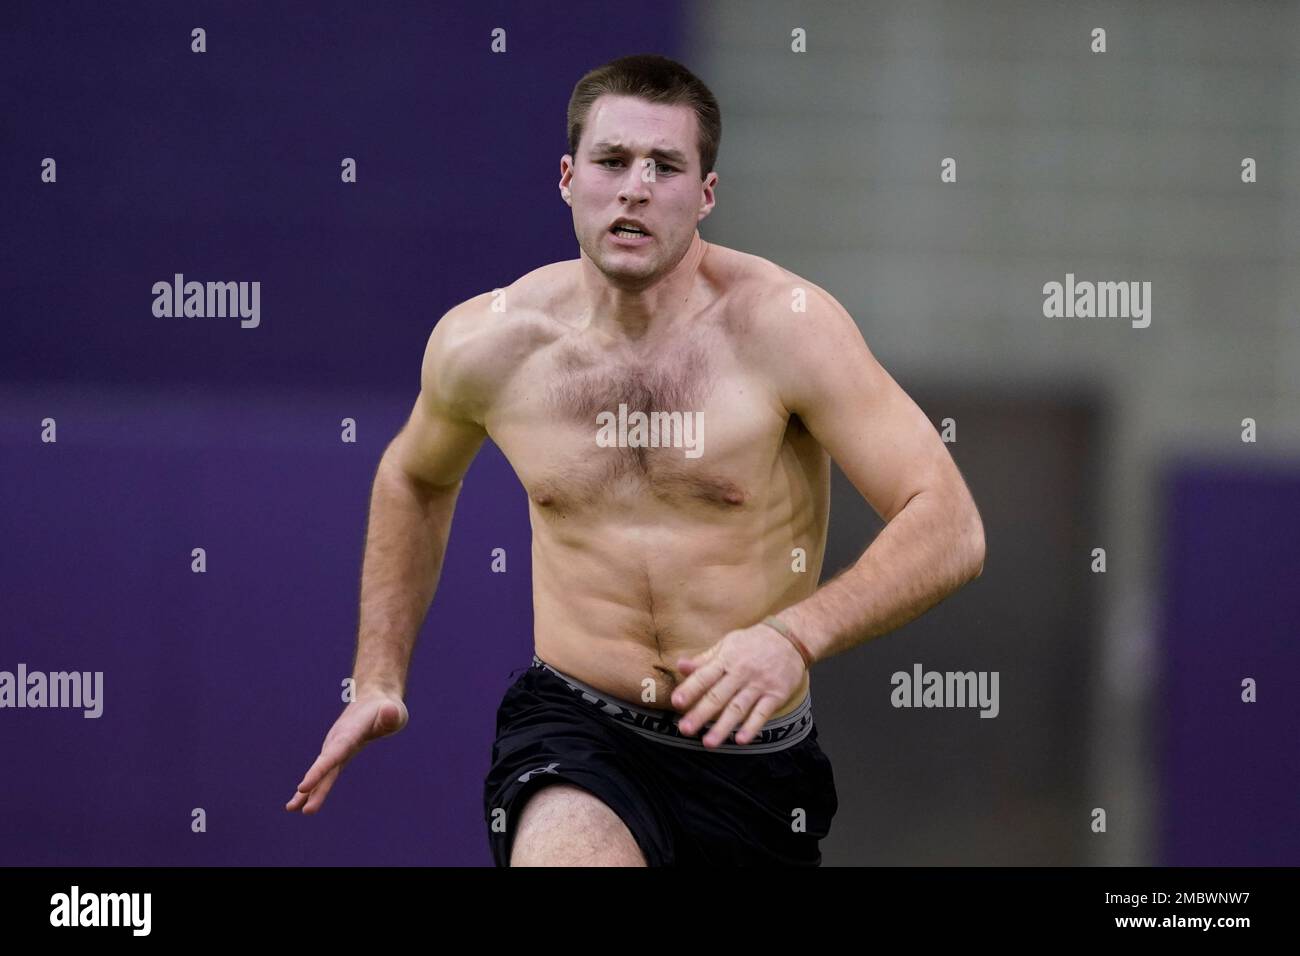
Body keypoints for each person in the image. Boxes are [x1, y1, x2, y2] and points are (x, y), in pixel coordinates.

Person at [286, 53, 985, 866]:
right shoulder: (489, 343)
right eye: (612, 161)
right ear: (567, 177)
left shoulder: (786, 329)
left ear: (707, 195)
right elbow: (415, 476)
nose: (635, 187)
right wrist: (378, 675)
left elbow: (950, 523)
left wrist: (793, 637)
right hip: (576, 732)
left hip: (751, 763)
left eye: (665, 166)